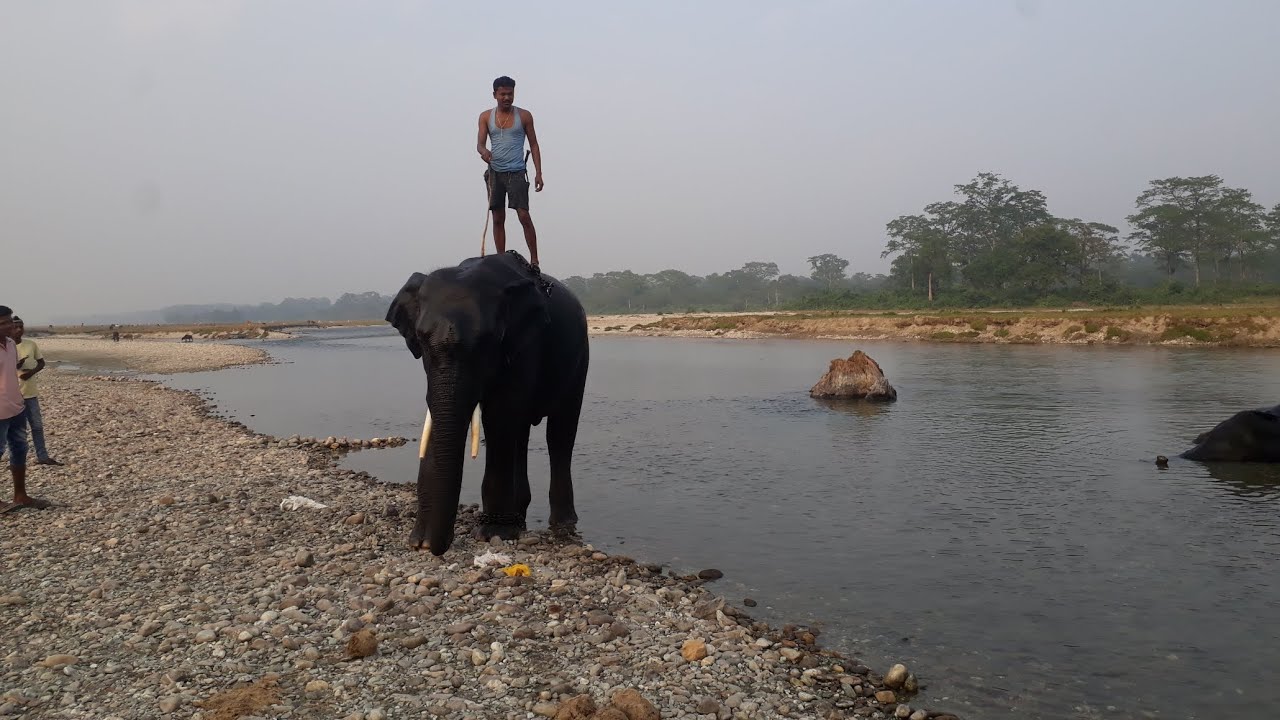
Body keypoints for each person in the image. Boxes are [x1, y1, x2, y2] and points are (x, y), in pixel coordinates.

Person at [476, 75, 543, 267]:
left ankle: (535, 259)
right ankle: (501, 258)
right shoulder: (485, 117)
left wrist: (538, 172)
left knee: (523, 214)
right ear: (495, 94)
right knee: (498, 217)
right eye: (503, 94)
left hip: (517, 172)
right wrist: (484, 152)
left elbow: (534, 144)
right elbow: (480, 144)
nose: (507, 98)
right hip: (495, 172)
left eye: (510, 94)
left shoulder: (524, 116)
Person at [0, 306, 46, 513]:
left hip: (16, 407)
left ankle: (20, 495)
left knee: (19, 449)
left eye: (10, 321)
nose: (10, 326)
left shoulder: (10, 345)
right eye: (3, 323)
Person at [13, 317, 63, 466]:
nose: (19, 330)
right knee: (15, 429)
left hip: (30, 393)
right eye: (15, 327)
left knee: (37, 426)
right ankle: (16, 459)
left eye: (21, 327)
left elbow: (41, 363)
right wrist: (15, 366)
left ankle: (43, 457)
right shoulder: (5, 347)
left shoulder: (31, 344)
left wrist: (31, 372)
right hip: (12, 395)